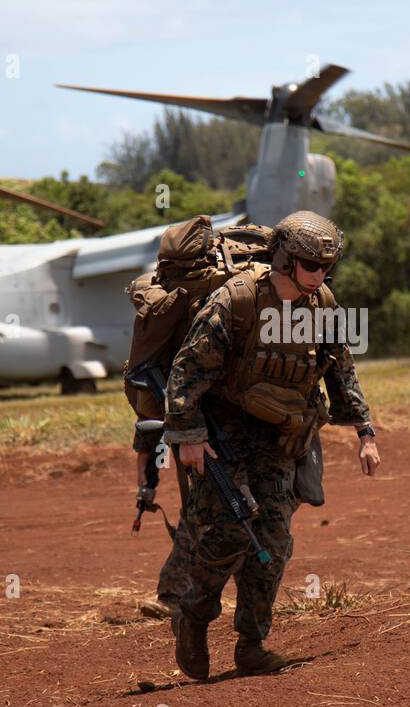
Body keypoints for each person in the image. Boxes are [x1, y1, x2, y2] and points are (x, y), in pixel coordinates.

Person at [160, 211, 380, 679]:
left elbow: (341, 370)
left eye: (326, 268)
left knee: (275, 542)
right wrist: (189, 436)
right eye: (311, 266)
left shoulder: (321, 306)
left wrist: (364, 432)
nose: (320, 277)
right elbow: (186, 371)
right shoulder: (237, 301)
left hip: (280, 439)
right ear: (284, 260)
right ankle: (193, 618)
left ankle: (252, 645)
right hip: (223, 437)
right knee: (232, 532)